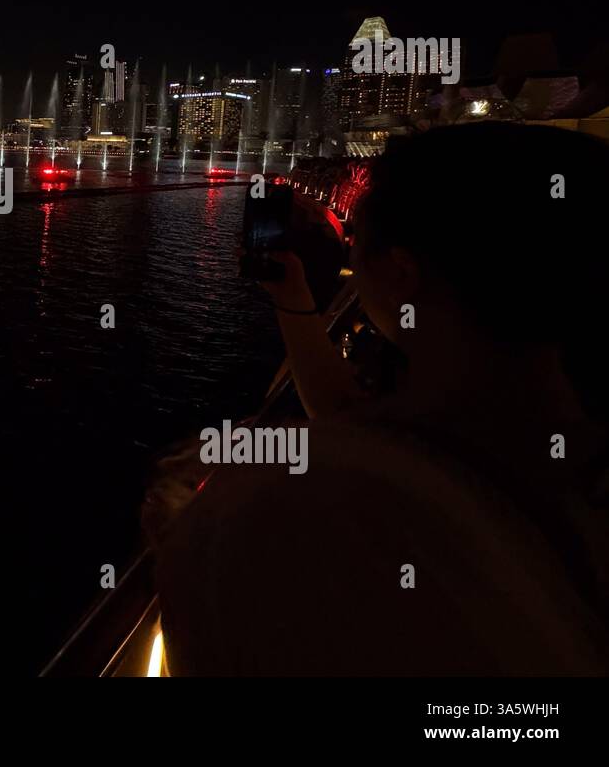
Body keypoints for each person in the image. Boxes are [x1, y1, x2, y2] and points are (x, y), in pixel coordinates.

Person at [147, 122, 609, 675]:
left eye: (355, 238)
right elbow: (349, 416)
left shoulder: (293, 515)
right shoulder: (564, 438)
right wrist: (293, 299)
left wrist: (192, 519)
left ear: (400, 271)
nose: (346, 250)